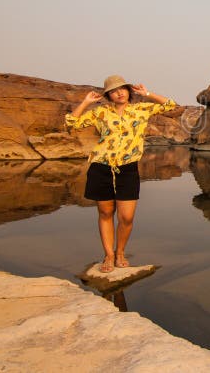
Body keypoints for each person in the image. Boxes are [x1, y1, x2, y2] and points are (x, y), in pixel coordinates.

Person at [65, 75, 177, 273]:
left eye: (123, 88)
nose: (120, 92)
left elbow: (171, 106)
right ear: (108, 95)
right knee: (106, 212)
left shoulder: (140, 109)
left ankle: (120, 252)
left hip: (127, 168)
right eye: (114, 90)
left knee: (126, 217)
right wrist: (85, 102)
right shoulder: (100, 112)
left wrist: (147, 94)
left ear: (129, 91)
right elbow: (71, 124)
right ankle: (109, 254)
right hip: (102, 166)